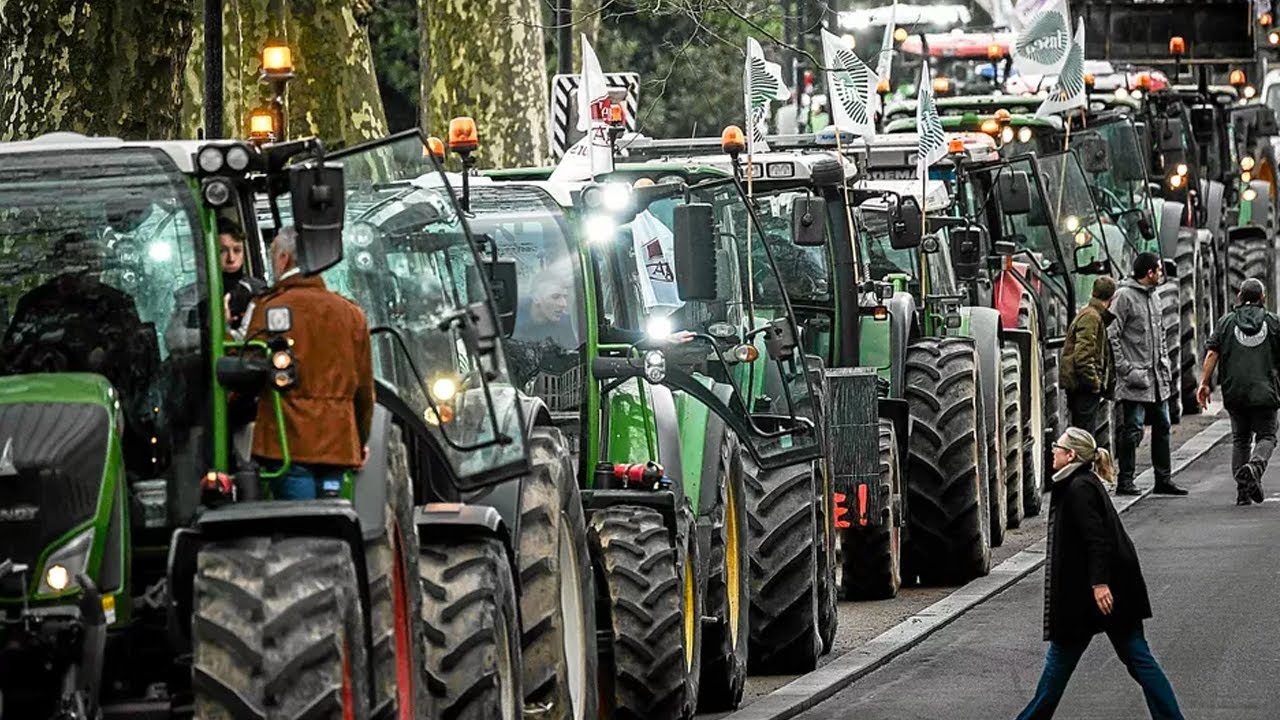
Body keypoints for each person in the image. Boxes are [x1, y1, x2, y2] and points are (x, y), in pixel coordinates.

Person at [1016, 427, 1184, 720]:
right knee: (1138, 660)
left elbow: (1097, 540)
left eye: (1058, 447)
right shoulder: (1081, 482)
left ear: (1071, 455)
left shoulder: (1079, 488)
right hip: (1104, 591)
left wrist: (1099, 584)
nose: (1052, 450)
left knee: (1060, 667)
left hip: (1097, 595)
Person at [243, 226, 375, 500]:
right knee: (332, 521)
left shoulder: (268, 308)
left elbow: (247, 369)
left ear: (283, 258)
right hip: (338, 444)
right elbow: (364, 390)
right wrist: (359, 441)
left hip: (287, 443)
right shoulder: (350, 314)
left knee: (300, 525)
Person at [1196, 277, 1280, 505]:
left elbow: (1212, 353)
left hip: (1235, 392)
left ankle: (1243, 492)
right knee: (1267, 436)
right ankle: (1254, 467)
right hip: (1265, 392)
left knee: (1241, 439)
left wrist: (1204, 383)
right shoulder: (1273, 322)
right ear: (1263, 298)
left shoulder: (1225, 323)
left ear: (1239, 297)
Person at [1107, 252, 1185, 496]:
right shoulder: (1124, 297)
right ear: (1149, 272)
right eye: (1159, 270)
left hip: (1156, 377)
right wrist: (1125, 369)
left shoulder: (1154, 298)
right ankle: (1125, 480)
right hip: (1136, 379)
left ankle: (1163, 479)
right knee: (1133, 429)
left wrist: (1164, 364)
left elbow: (1160, 334)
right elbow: (1112, 335)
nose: (1161, 274)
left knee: (1163, 425)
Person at [1061, 276, 1117, 446]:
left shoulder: (1090, 314)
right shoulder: (1092, 317)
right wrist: (1095, 384)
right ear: (1111, 298)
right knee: (1084, 439)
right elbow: (1083, 357)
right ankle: (1083, 471)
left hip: (1082, 386)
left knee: (1082, 437)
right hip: (1083, 389)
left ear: (1093, 292)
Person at [218, 218, 266, 330]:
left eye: (237, 250)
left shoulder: (259, 291)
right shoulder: (196, 295)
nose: (231, 258)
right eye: (222, 251)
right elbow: (174, 338)